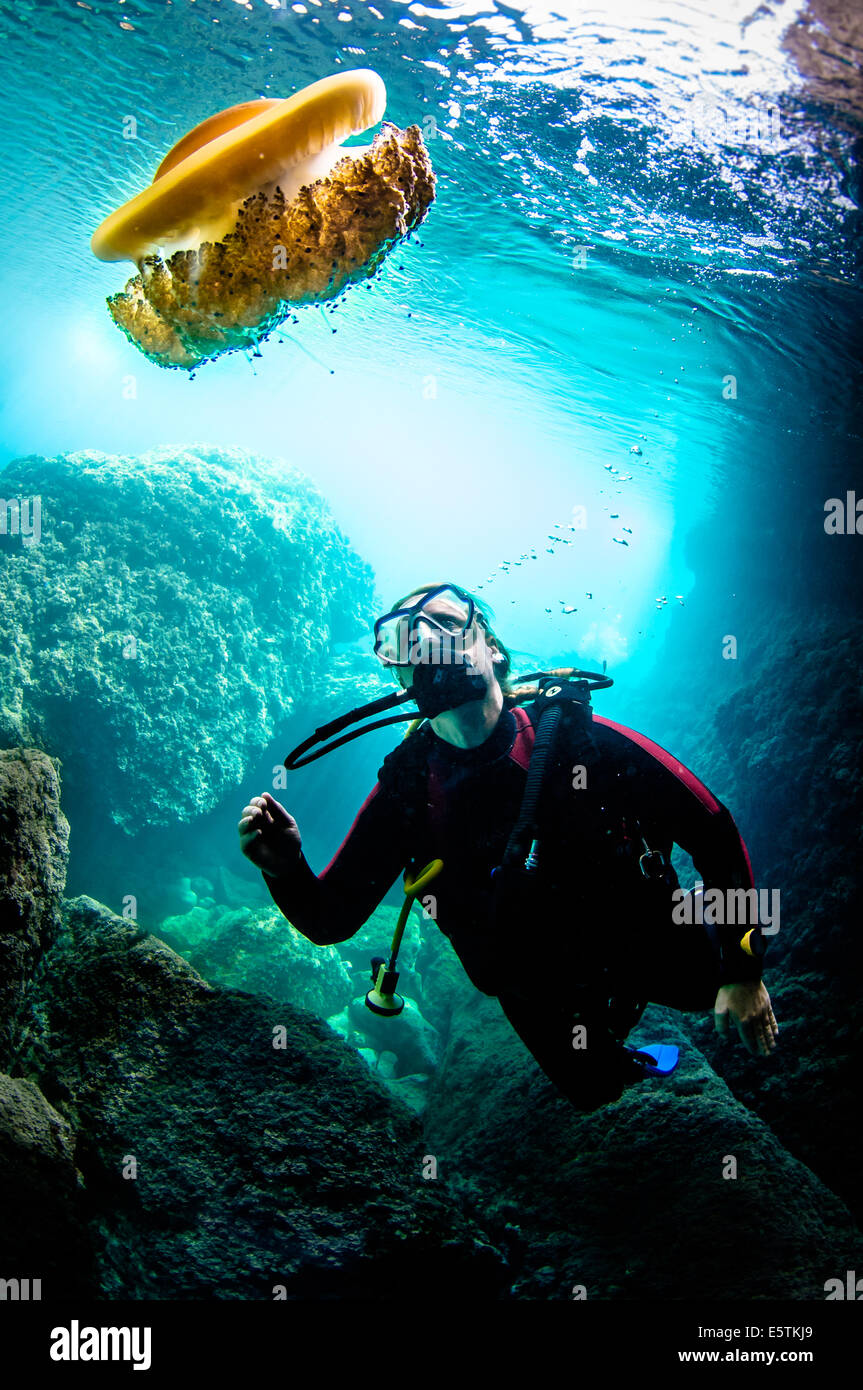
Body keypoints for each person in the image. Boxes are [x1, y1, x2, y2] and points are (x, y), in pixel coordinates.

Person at [239, 581, 778, 1110]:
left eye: (446, 626)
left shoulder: (574, 739)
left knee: (718, 993)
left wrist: (743, 968)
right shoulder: (406, 789)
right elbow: (331, 920)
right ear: (397, 672)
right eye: (404, 642)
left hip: (641, 938)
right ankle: (623, 1055)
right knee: (595, 1091)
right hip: (534, 984)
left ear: (492, 650)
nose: (426, 646)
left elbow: (712, 828)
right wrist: (286, 868)